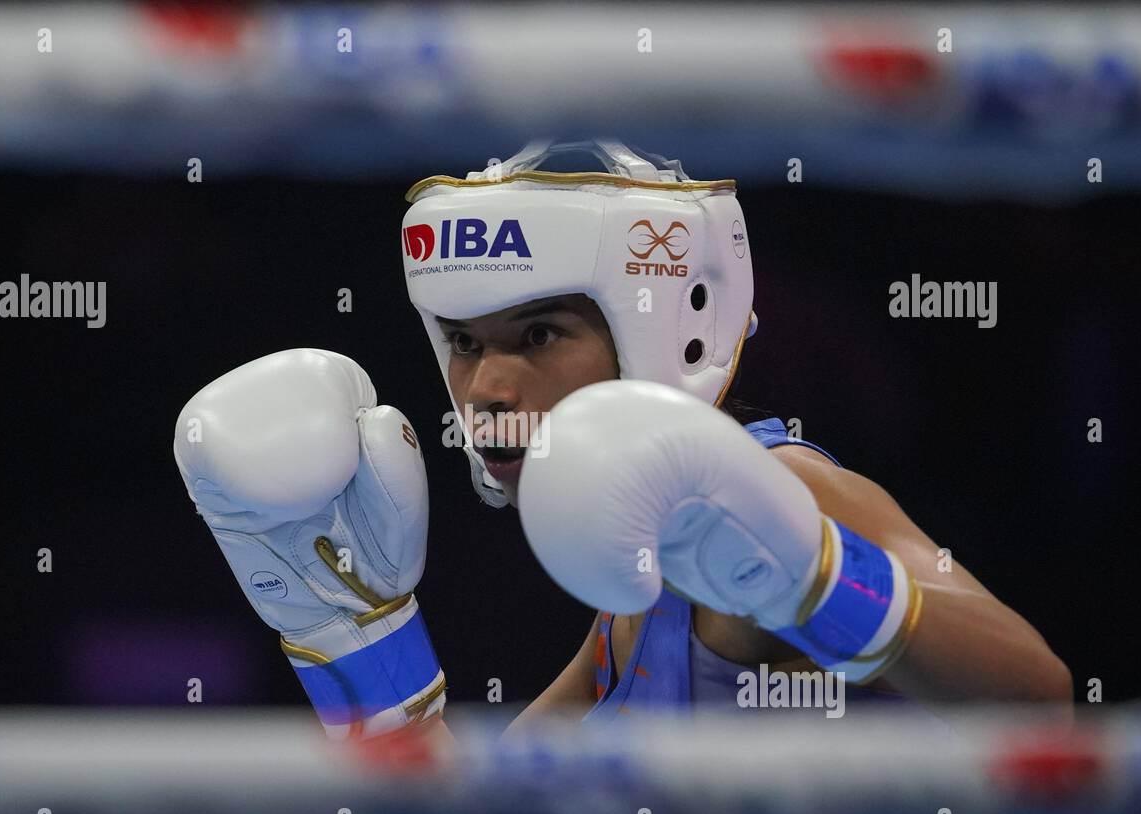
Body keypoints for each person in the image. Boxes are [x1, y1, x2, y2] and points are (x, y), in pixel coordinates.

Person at [174, 140, 1071, 753]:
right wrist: (359, 639)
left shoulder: (783, 486)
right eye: (466, 341)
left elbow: (1041, 697)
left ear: (659, 335)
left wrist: (819, 579)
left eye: (539, 334)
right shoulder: (639, 591)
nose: (487, 388)